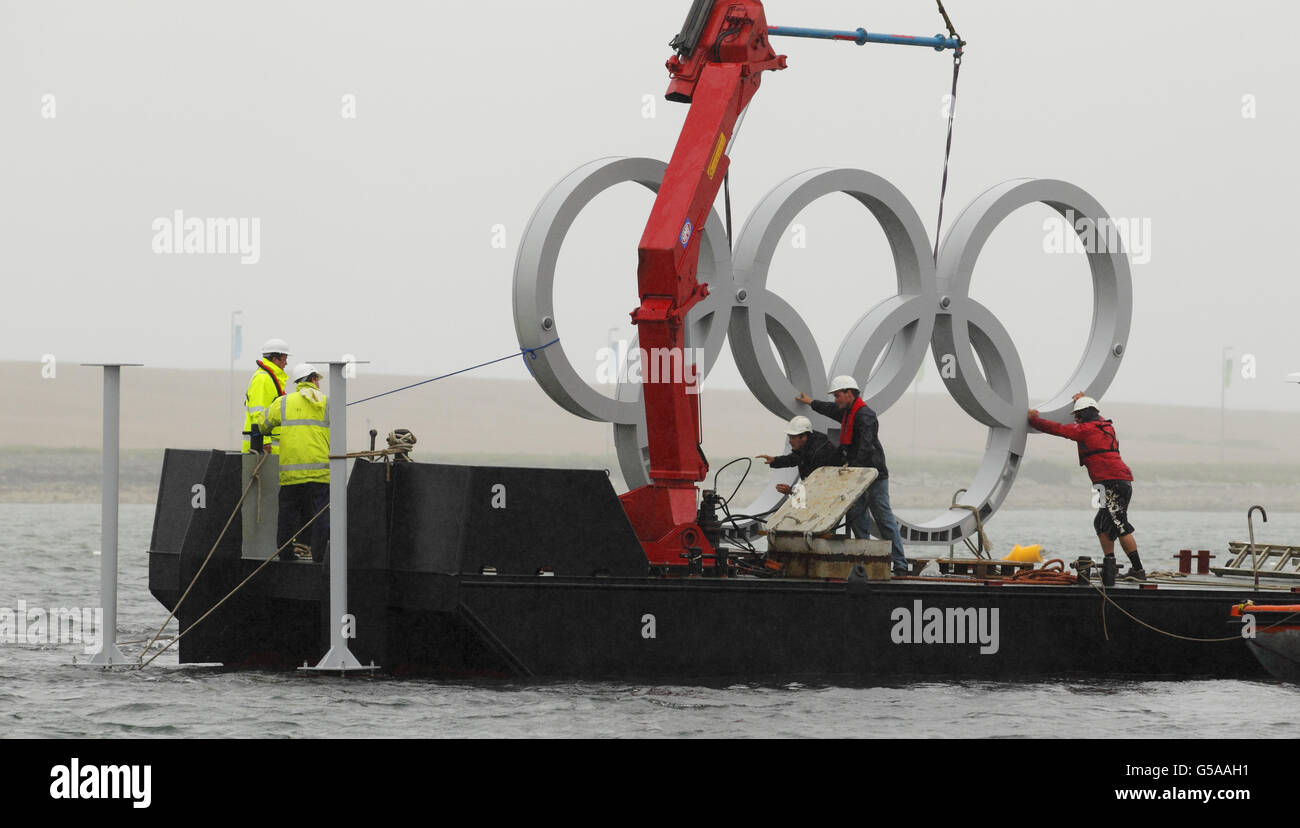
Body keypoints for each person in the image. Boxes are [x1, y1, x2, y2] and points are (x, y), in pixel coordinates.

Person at [796, 376, 909, 575]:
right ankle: (865, 561)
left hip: (873, 477)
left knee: (884, 519)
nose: (836, 400)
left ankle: (900, 564)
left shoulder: (865, 415)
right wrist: (811, 403)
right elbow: (830, 409)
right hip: (856, 477)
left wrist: (853, 469)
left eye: (838, 395)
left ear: (849, 393)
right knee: (857, 519)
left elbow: (866, 446)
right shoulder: (848, 413)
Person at [1028, 393, 1145, 580]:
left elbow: (1058, 429)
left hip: (1110, 482)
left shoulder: (1085, 430)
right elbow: (1092, 416)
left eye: (1077, 415)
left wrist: (1034, 420)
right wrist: (1081, 401)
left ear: (1083, 416)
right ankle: (1111, 566)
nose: (1075, 419)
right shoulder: (1105, 426)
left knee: (1119, 524)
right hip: (1113, 482)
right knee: (1101, 523)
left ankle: (1138, 571)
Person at [261, 363, 330, 562]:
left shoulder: (283, 402)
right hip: (320, 470)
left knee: (288, 512)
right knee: (321, 512)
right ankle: (319, 556)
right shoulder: (326, 402)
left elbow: (263, 424)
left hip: (292, 470)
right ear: (314, 379)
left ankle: (285, 554)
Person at [757, 415, 842, 496]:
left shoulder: (819, 453)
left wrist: (791, 491)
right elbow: (795, 458)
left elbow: (816, 487)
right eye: (789, 437)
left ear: (804, 436)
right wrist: (775, 460)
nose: (790, 441)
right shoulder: (808, 444)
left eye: (793, 438)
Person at [242, 338, 291, 454]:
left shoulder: (270, 378)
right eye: (285, 359)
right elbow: (258, 413)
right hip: (260, 449)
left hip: (268, 448)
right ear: (275, 359)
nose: (286, 363)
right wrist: (265, 441)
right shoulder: (263, 379)